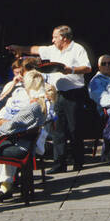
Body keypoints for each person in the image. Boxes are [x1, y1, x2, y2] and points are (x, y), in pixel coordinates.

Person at [39, 25, 91, 173]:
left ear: (64, 38)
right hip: (58, 94)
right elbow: (35, 49)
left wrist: (71, 70)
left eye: (55, 37)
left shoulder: (78, 49)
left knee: (74, 128)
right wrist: (18, 48)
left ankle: (78, 161)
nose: (52, 40)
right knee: (58, 129)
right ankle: (59, 164)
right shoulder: (52, 49)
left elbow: (88, 68)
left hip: (74, 94)